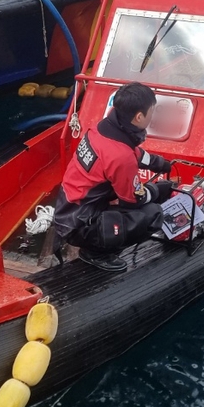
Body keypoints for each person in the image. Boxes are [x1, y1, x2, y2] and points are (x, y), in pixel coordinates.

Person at [53, 82, 176, 272]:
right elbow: (133, 200)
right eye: (152, 111)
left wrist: (159, 163)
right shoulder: (121, 157)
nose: (153, 116)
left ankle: (97, 236)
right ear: (139, 117)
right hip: (78, 224)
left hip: (69, 209)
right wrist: (158, 191)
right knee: (153, 213)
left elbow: (131, 151)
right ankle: (96, 252)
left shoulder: (102, 129)